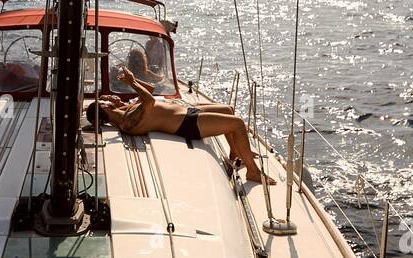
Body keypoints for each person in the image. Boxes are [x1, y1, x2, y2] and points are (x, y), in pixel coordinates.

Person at [85, 68, 274, 184]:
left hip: (186, 113)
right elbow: (149, 101)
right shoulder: (127, 122)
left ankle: (236, 153)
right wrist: (132, 82)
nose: (109, 96)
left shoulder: (127, 110)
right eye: (104, 99)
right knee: (238, 124)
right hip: (187, 124)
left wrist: (133, 80)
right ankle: (253, 171)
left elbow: (149, 90)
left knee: (228, 110)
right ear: (104, 107)